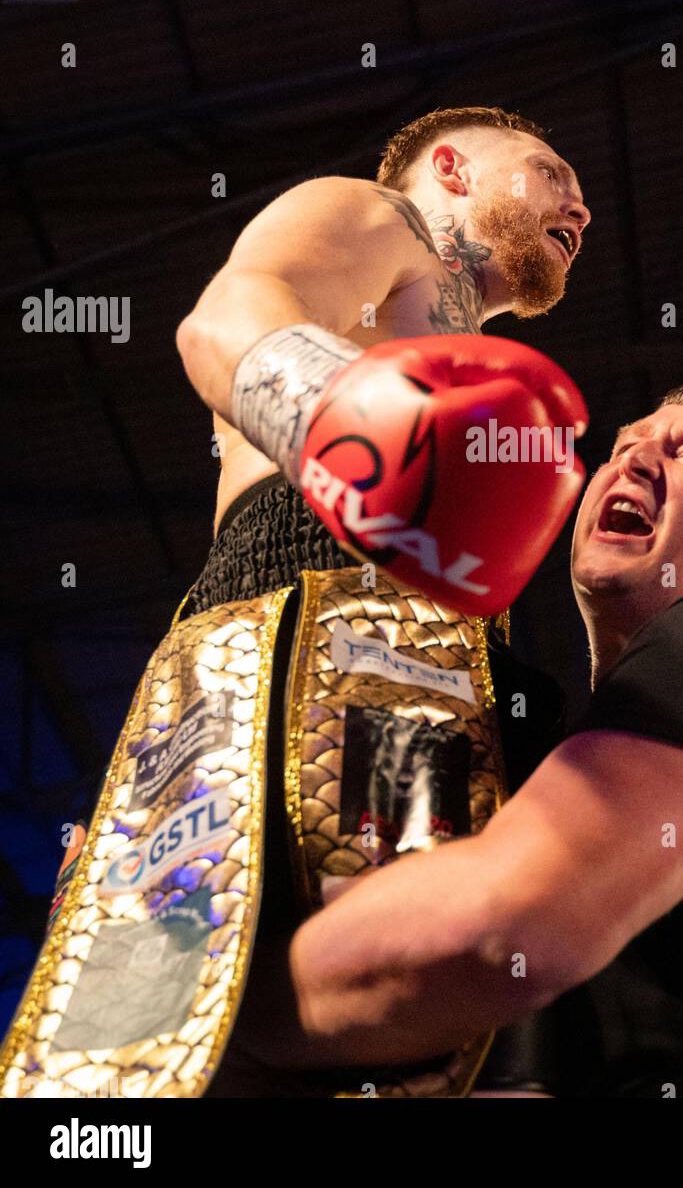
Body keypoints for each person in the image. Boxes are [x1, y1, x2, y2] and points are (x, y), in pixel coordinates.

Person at [7, 106, 591, 1100]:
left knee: (420, 1024)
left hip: (423, 671)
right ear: (448, 167)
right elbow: (226, 317)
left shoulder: (477, 361)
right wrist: (365, 434)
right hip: (288, 602)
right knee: (158, 1030)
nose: (579, 204)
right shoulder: (377, 216)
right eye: (548, 171)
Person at [236, 379, 683, 1098]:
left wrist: (202, 1012)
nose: (633, 463)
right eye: (623, 447)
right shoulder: (553, 762)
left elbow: (504, 928)